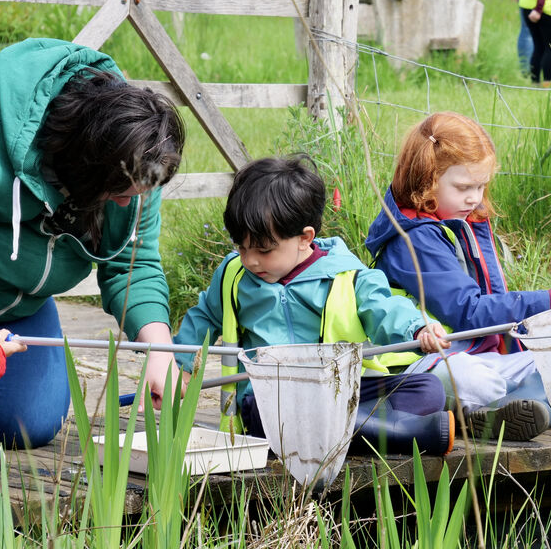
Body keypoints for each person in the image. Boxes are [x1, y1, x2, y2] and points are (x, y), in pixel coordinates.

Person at [173, 156, 454, 454]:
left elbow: (385, 309)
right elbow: (202, 319)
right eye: (241, 247)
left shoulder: (349, 275)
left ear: (305, 238)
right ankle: (389, 433)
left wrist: (417, 328)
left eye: (263, 250)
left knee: (426, 389)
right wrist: (179, 368)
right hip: (274, 398)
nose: (250, 259)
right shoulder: (234, 276)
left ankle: (344, 433)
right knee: (261, 409)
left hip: (341, 390)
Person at [366, 112, 551, 440]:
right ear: (426, 179)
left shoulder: (460, 219)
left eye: (482, 185)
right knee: (474, 382)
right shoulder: (414, 239)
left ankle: (515, 407)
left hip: (483, 355)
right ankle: (513, 407)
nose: (475, 197)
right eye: (464, 187)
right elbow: (469, 311)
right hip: (425, 364)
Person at [0, 38, 185, 449]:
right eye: (118, 192)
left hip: (21, 308)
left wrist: (159, 350)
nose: (127, 202)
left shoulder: (137, 158)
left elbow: (133, 265)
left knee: (31, 423)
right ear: (84, 163)